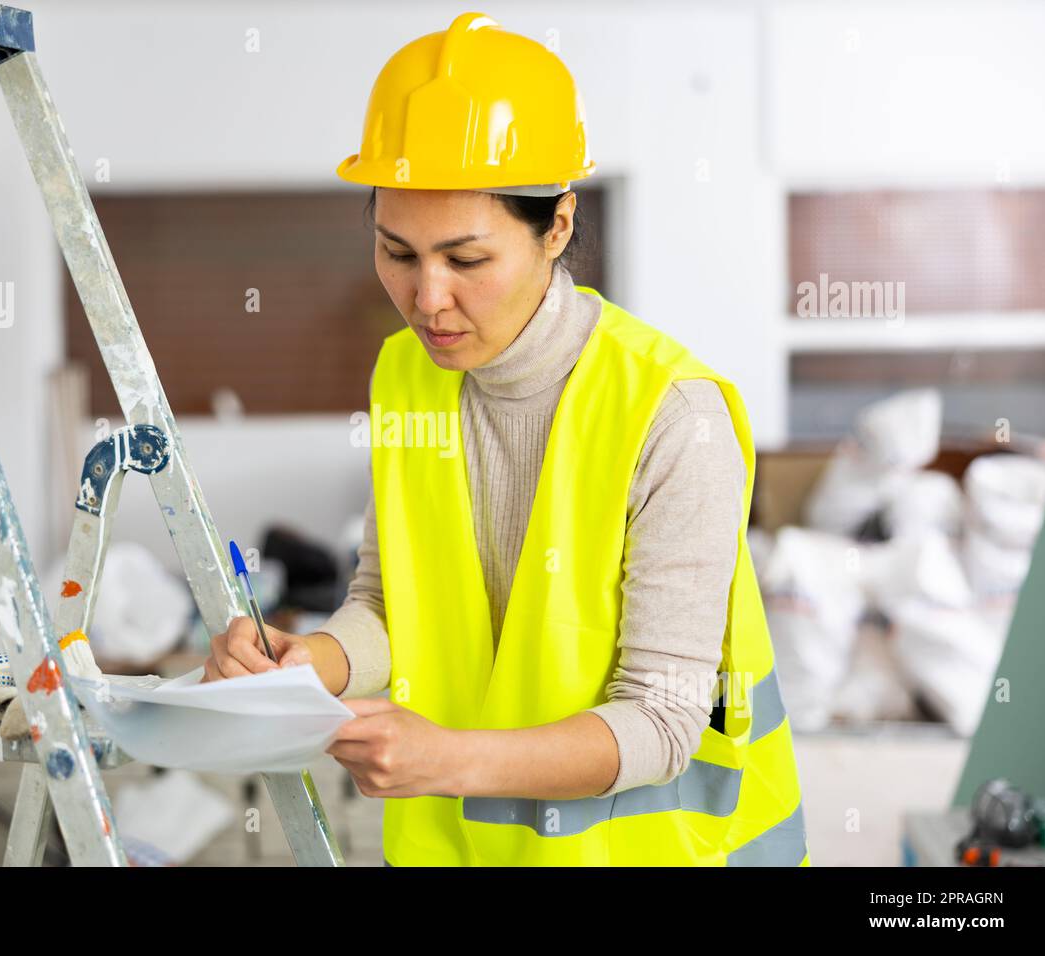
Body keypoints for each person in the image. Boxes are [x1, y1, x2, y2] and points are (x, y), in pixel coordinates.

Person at [203, 11, 809, 867]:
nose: (427, 299)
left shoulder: (673, 414)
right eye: (397, 253)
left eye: (467, 259)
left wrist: (443, 756)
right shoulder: (406, 376)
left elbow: (664, 719)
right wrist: (314, 663)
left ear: (557, 227)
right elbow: (390, 603)